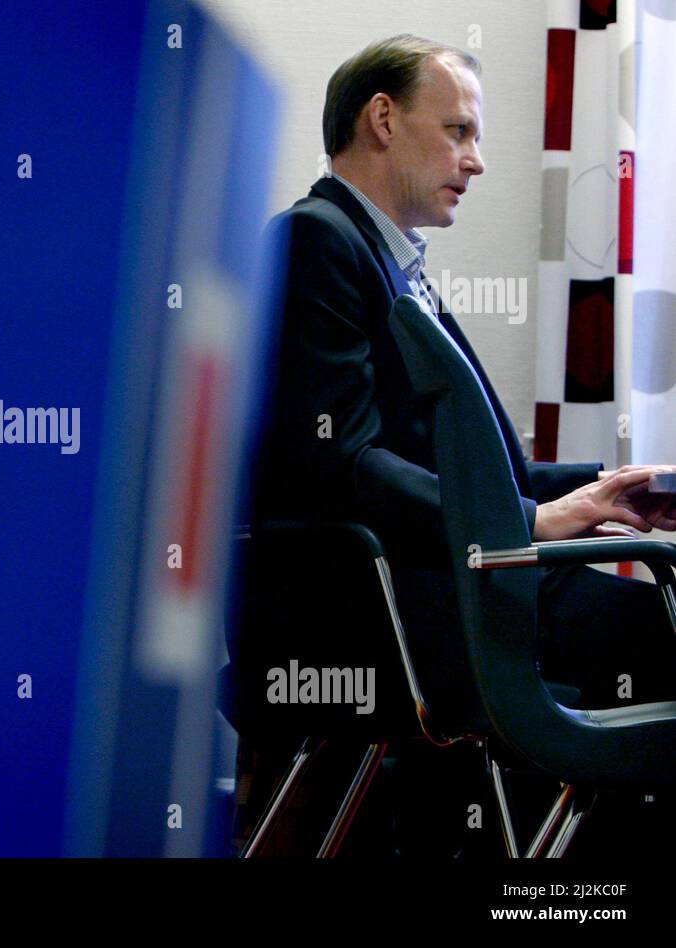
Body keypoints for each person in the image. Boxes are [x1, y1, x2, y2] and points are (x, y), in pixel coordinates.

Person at [233, 35, 676, 854]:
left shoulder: (388, 258)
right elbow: (338, 465)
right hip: (409, 610)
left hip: (458, 579)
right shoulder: (318, 241)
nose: (475, 161)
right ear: (382, 119)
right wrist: (526, 522)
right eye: (459, 131)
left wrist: (605, 483)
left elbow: (463, 466)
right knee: (660, 630)